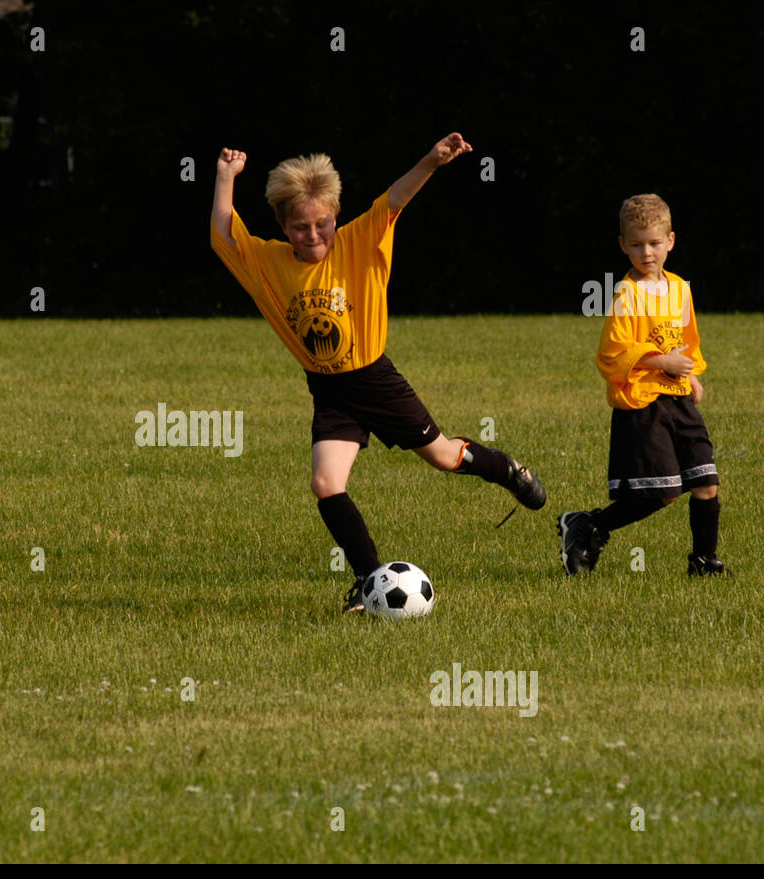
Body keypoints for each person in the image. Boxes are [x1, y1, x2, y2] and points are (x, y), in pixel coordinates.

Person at [210, 134, 546, 612]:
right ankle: (369, 582)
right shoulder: (267, 263)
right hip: (328, 391)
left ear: (336, 216)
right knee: (326, 484)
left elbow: (395, 198)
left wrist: (431, 161)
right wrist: (225, 179)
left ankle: (506, 469)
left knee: (445, 457)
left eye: (322, 224)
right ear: (283, 226)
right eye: (300, 227)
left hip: (376, 381)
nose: (313, 235)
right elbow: (225, 233)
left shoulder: (357, 241)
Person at [558, 193, 727, 576]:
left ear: (670, 240)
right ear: (623, 245)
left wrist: (690, 372)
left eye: (654, 242)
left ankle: (705, 561)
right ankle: (589, 525)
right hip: (642, 404)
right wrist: (660, 361)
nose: (646, 252)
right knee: (661, 493)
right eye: (636, 244)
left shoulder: (681, 288)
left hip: (679, 400)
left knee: (706, 480)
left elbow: (685, 341)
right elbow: (611, 355)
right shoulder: (625, 295)